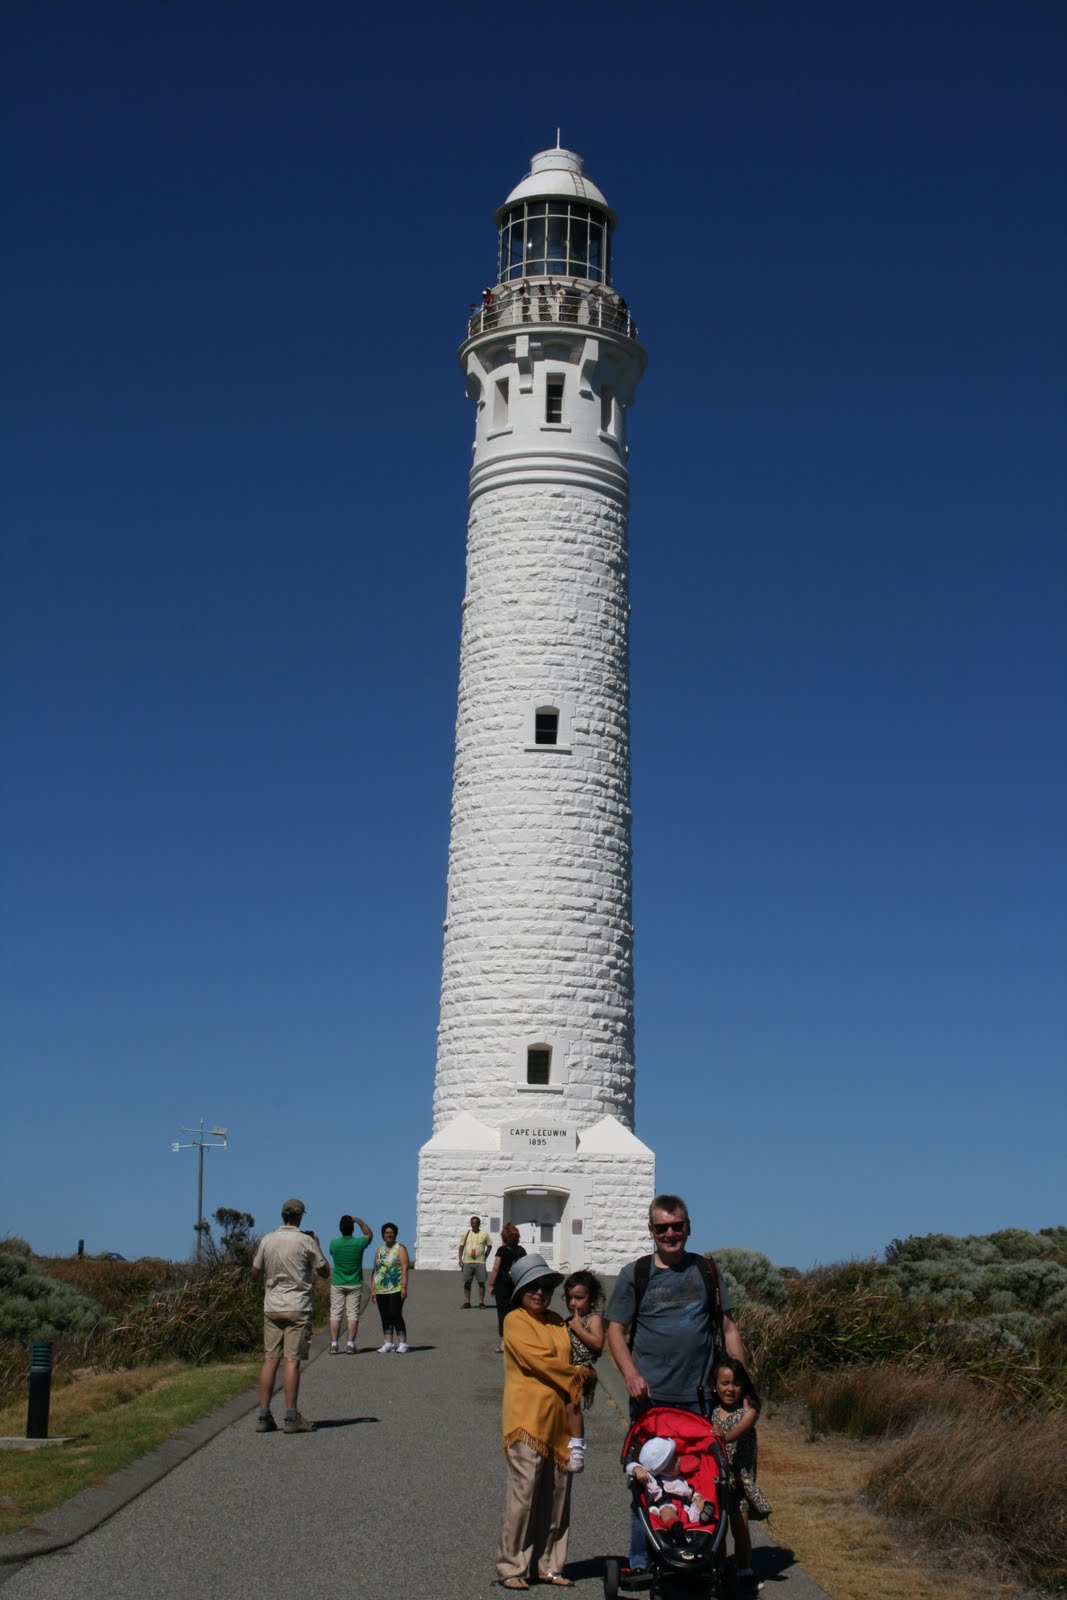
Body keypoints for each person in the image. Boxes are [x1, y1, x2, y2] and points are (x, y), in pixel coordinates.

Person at [605, 1194, 747, 1574]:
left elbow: (729, 1329)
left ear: (689, 1227)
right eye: (662, 1227)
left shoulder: (706, 1272)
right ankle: (642, 1562)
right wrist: (631, 1374)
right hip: (651, 1400)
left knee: (703, 1479)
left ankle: (702, 1559)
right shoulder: (635, 1274)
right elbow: (615, 1330)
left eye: (677, 1226)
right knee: (649, 1482)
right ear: (651, 1231)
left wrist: (742, 1386)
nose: (670, 1233)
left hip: (699, 1398)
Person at [496, 1253, 594, 1589]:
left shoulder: (558, 1322)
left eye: (545, 1286)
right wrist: (579, 1375)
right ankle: (511, 1566)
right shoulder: (515, 1321)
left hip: (559, 1423)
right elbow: (539, 1361)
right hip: (526, 1419)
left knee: (557, 1495)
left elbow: (583, 1347)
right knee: (524, 1495)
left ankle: (548, 1564)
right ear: (520, 1291)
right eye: (531, 1287)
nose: (539, 1292)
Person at [250, 1197, 330, 1434]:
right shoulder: (305, 1241)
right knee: (291, 1361)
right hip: (297, 1305)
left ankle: (264, 1416)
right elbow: (325, 1272)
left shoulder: (267, 1240)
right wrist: (317, 1244)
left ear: (282, 1215)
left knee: (270, 1359)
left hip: (272, 1306)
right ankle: (291, 1416)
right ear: (300, 1217)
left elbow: (254, 1272)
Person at [711, 1358, 768, 1594]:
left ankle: (745, 1570)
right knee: (719, 1529)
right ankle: (720, 1569)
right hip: (717, 1480)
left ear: (743, 1386)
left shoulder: (748, 1411)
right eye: (724, 1383)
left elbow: (741, 1429)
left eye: (735, 1383)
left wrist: (723, 1436)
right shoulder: (712, 1412)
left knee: (740, 1526)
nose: (729, 1389)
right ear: (715, 1386)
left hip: (739, 1480)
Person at [562, 1269, 605, 1473]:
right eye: (569, 1298)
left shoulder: (592, 1319)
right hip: (567, 1369)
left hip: (582, 1369)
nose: (573, 1303)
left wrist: (579, 1329)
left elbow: (597, 1344)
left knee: (572, 1404)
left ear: (592, 1298)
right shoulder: (568, 1320)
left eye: (579, 1298)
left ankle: (578, 1447)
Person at [625, 1436, 714, 1532]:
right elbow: (629, 1466)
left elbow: (690, 1492)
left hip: (687, 1509)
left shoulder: (680, 1479)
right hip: (665, 1506)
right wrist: (638, 1470)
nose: (679, 1460)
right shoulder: (651, 1479)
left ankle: (704, 1514)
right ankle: (675, 1527)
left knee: (702, 1503)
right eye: (675, 1459)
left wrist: (698, 1497)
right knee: (667, 1511)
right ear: (664, 1467)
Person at [327, 1214, 373, 1353]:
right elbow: (369, 1234)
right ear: (352, 1228)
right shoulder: (359, 1243)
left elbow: (331, 1253)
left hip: (338, 1282)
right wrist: (359, 1220)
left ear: (340, 1228)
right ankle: (350, 1344)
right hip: (355, 1282)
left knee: (335, 1314)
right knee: (352, 1314)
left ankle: (334, 1344)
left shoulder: (334, 1244)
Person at [371, 1221, 410, 1352]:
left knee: (395, 1314)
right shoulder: (379, 1250)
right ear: (383, 1235)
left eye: (391, 1233)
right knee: (385, 1315)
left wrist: (404, 1287)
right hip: (381, 1288)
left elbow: (405, 1268)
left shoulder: (400, 1248)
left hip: (396, 1287)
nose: (389, 1235)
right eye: (387, 1233)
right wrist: (373, 1289)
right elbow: (375, 1270)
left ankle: (403, 1342)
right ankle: (388, 1342)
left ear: (395, 1234)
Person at [489, 1222, 526, 1351]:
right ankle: (516, 1341)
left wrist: (492, 1284)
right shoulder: (522, 1250)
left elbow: (496, 1268)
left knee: (503, 1313)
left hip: (502, 1285)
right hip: (517, 1284)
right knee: (516, 1312)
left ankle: (504, 1342)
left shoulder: (502, 1250)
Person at [459, 1213, 492, 1308]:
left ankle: (481, 1302)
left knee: (481, 1282)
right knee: (467, 1282)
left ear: (479, 1224)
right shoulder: (466, 1233)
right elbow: (461, 1246)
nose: (474, 1225)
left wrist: (485, 1256)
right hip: (467, 1262)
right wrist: (460, 1259)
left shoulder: (484, 1234)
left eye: (476, 1223)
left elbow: (489, 1245)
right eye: (472, 1223)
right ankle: (467, 1302)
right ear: (471, 1224)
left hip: (480, 1262)